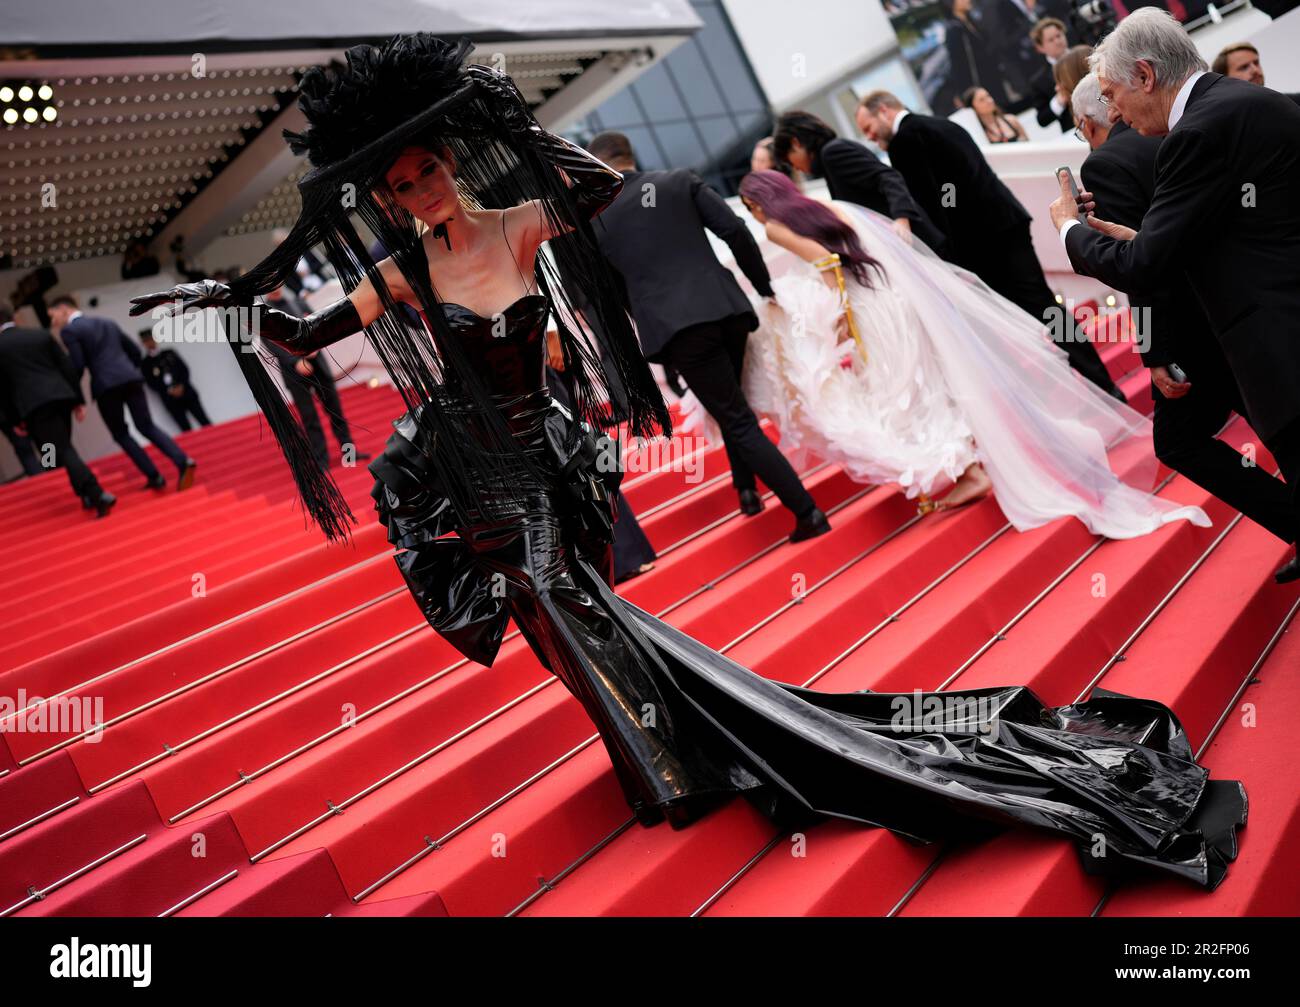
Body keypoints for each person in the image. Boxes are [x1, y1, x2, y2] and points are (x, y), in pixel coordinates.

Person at [129, 33, 1244, 889]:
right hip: (477, 483)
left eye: (426, 173)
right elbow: (301, 338)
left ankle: (676, 768)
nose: (415, 195)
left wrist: (496, 125)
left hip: (542, 475)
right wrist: (232, 306)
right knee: (574, 635)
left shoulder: (519, 221)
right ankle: (667, 756)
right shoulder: (400, 274)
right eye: (398, 187)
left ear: (450, 164)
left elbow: (603, 189)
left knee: (576, 610)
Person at [732, 168, 1209, 534]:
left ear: (758, 201)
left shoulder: (776, 227)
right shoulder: (824, 204)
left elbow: (829, 264)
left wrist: (838, 318)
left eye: (750, 206)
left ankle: (966, 470)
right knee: (921, 381)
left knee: (894, 388)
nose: (753, 214)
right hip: (891, 296)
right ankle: (967, 465)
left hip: (865, 307)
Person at [1052, 9, 1300, 584]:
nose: (1116, 113)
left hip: (1277, 345)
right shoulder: (1248, 103)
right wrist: (1139, 237)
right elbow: (1233, 233)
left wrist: (1070, 230)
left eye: (1114, 95)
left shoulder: (1196, 132)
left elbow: (1145, 267)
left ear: (1144, 75)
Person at [585, 129, 829, 540]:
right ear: (629, 154)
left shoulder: (596, 221)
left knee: (735, 417)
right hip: (726, 308)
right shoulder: (679, 180)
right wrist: (763, 285)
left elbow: (611, 297)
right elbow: (735, 230)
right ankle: (747, 490)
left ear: (599, 166)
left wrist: (656, 335)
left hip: (678, 329)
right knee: (732, 403)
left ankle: (808, 513)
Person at [855, 89, 1124, 399]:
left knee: (1006, 325)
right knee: (1046, 309)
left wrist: (949, 254)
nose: (871, 138)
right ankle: (1102, 386)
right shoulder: (940, 125)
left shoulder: (906, 140)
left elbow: (940, 202)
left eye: (869, 128)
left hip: (983, 244)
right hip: (1005, 225)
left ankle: (1054, 398)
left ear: (885, 110)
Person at [49, 295, 197, 492]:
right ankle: (182, 460)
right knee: (146, 425)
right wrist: (129, 371)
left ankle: (154, 476)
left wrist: (73, 395)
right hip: (131, 379)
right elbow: (135, 350)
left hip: (106, 386)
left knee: (120, 433)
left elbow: (78, 366)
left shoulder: (70, 330)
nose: (53, 322)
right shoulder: (106, 322)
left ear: (64, 310)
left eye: (53, 316)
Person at [772, 110, 947, 255]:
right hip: (908, 247)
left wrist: (901, 219)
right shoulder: (829, 159)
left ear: (795, 143)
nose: (795, 167)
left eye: (789, 160)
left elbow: (888, 177)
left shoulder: (833, 153)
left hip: (916, 243)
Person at [0, 304, 115, 514]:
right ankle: (85, 495)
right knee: (57, 449)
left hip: (35, 408)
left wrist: (14, 421)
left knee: (60, 450)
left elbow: (4, 391)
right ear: (12, 317)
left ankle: (96, 492)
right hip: (61, 398)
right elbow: (67, 367)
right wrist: (77, 400)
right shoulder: (40, 335)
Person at [262, 284, 370, 469]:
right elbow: (270, 343)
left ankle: (350, 455)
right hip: (295, 372)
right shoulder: (263, 315)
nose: (275, 287)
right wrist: (296, 361)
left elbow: (319, 325)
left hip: (319, 365)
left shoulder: (298, 302)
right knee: (309, 417)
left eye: (277, 282)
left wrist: (315, 347)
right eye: (270, 285)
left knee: (336, 412)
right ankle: (321, 461)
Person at [940, 0, 1013, 112]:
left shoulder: (971, 21)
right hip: (980, 86)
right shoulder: (954, 30)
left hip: (994, 79)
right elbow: (959, 66)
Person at [138, 331, 212, 431]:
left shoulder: (169, 353)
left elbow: (184, 370)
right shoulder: (145, 363)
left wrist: (181, 385)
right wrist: (169, 390)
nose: (149, 342)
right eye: (146, 341)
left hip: (187, 392)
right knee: (185, 428)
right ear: (143, 343)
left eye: (151, 339)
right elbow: (151, 383)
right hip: (170, 398)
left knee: (204, 421)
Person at [1022, 17, 1075, 131]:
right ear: (1040, 48)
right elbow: (1042, 120)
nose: (1057, 41)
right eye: (1051, 40)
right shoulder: (1039, 81)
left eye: (1059, 35)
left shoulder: (1085, 54)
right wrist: (1059, 101)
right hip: (1074, 132)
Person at [1211, 41, 1300, 104]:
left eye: (1256, 63)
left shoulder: (1291, 102)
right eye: (1244, 67)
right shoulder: (1226, 125)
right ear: (1225, 79)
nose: (1255, 70)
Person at [962, 86, 1028, 143]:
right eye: (982, 100)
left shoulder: (1011, 120)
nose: (989, 101)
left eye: (988, 96)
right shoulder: (979, 134)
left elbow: (1030, 144)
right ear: (972, 108)